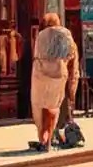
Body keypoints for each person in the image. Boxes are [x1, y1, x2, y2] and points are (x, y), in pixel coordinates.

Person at [29, 13, 77, 152]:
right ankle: (48, 139)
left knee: (39, 107)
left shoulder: (40, 36)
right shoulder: (66, 34)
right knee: (52, 108)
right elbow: (71, 55)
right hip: (58, 73)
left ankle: (42, 138)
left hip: (40, 74)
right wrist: (72, 88)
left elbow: (36, 54)